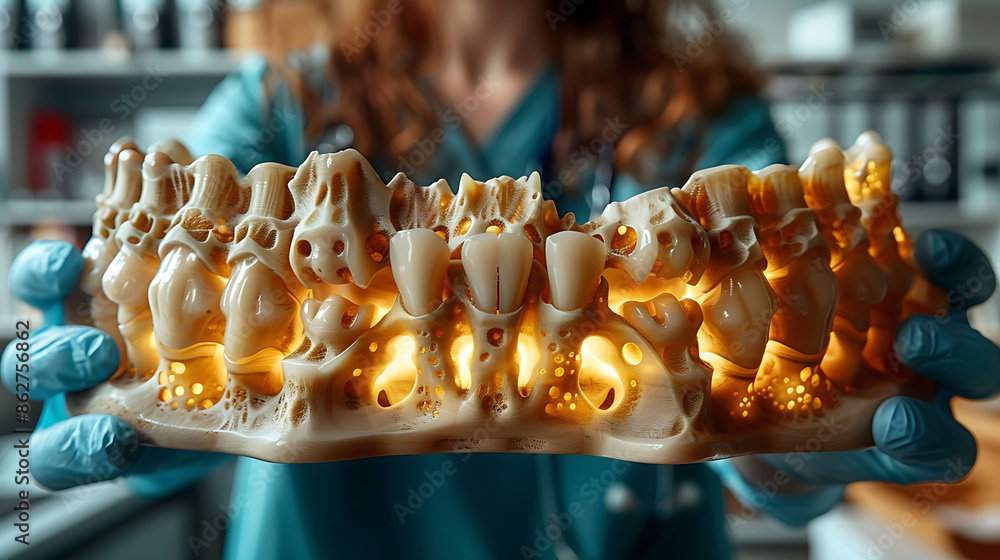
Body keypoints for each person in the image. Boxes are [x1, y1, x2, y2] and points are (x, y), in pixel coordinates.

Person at [4, 1, 999, 558]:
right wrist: (123, 397)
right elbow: (191, 352)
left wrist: (794, 457)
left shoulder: (702, 112)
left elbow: (760, 401)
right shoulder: (278, 102)